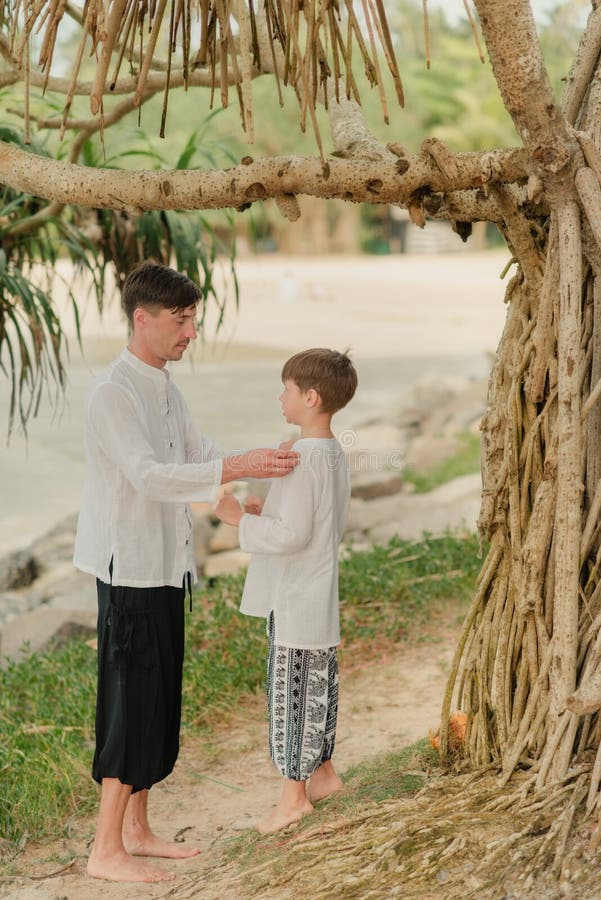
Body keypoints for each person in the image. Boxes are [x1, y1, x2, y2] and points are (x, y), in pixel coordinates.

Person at [73, 261, 300, 883]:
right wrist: (236, 465)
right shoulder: (113, 394)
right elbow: (149, 476)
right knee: (129, 702)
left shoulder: (165, 389)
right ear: (141, 318)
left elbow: (199, 459)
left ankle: (139, 832)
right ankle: (104, 850)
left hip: (169, 567)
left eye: (193, 318)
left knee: (157, 701)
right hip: (130, 571)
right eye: (180, 319)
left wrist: (242, 500)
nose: (190, 331)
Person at [215, 348, 357, 834]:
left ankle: (292, 798)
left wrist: (238, 521)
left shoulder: (301, 456)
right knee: (318, 686)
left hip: (296, 595)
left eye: (287, 389)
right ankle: (323, 773)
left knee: (292, 694)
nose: (281, 396)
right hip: (316, 591)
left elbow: (294, 534)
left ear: (310, 397)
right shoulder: (332, 453)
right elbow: (317, 525)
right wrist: (263, 516)